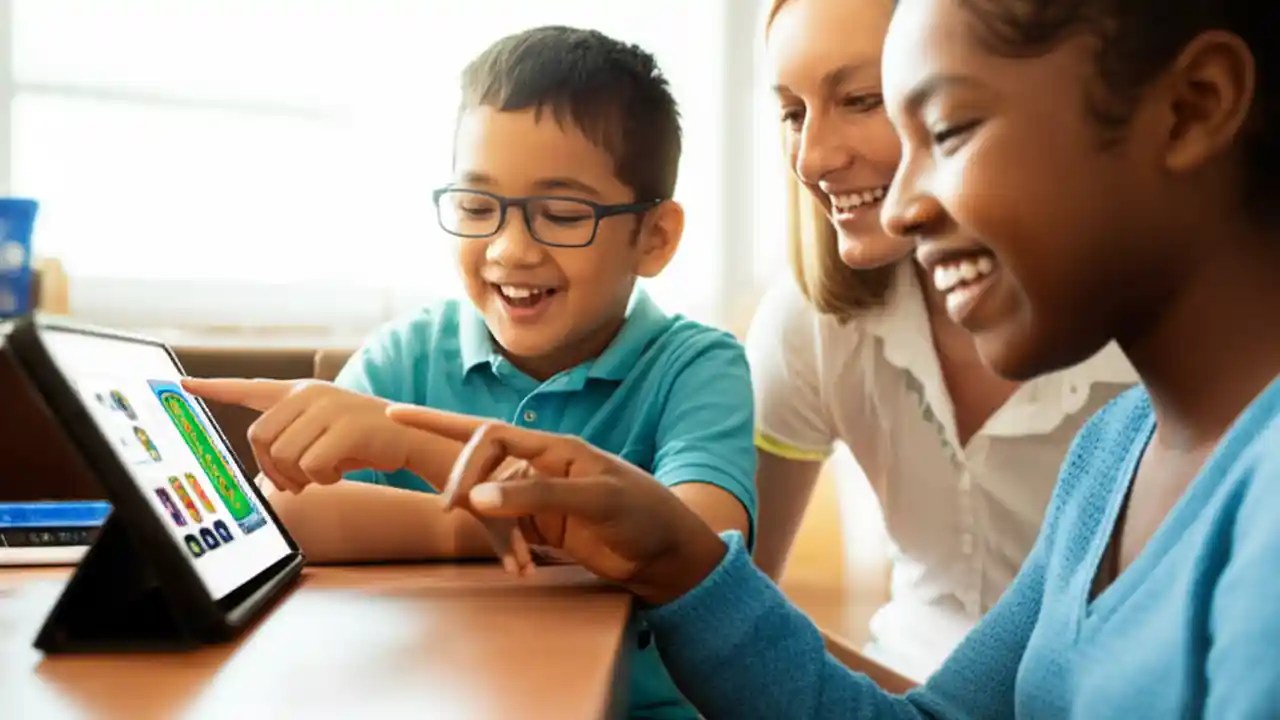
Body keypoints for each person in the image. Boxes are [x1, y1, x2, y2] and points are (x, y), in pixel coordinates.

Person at [387, 0, 1280, 715]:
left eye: (954, 128)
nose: (899, 209)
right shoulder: (1115, 455)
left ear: (1194, 106)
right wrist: (677, 560)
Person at [185, 26, 756, 720]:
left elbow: (695, 544)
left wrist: (416, 455)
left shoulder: (694, 365)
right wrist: (474, 527)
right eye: (479, 207)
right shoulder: (409, 353)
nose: (511, 250)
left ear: (655, 236)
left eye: (563, 214)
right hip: (438, 698)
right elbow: (284, 512)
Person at [749, 0, 1136, 681]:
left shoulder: (1157, 335)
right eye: (791, 111)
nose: (811, 158)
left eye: (861, 99)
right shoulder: (811, 323)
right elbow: (733, 593)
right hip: (902, 687)